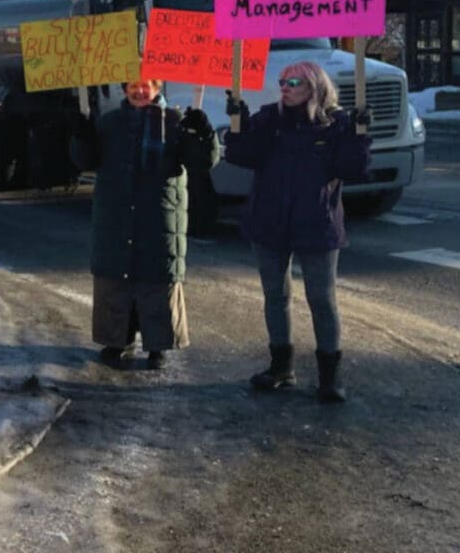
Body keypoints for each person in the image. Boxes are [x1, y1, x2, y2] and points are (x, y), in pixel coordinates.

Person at [225, 61, 371, 402]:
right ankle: (281, 367)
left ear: (315, 86)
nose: (285, 87)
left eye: (293, 81)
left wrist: (362, 137)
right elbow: (241, 156)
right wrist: (238, 123)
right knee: (276, 295)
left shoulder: (337, 125)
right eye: (282, 81)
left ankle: (330, 377)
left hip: (316, 223)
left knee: (321, 298)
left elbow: (353, 168)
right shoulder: (268, 120)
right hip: (269, 220)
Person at [69, 80, 220, 370]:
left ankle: (158, 345)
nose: (140, 91)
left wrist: (203, 132)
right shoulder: (109, 123)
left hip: (160, 215)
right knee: (117, 278)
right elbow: (84, 160)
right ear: (125, 88)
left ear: (158, 86)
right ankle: (117, 340)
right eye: (134, 85)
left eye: (148, 85)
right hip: (116, 214)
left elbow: (203, 161)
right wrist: (81, 134)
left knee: (157, 279)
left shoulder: (176, 122)